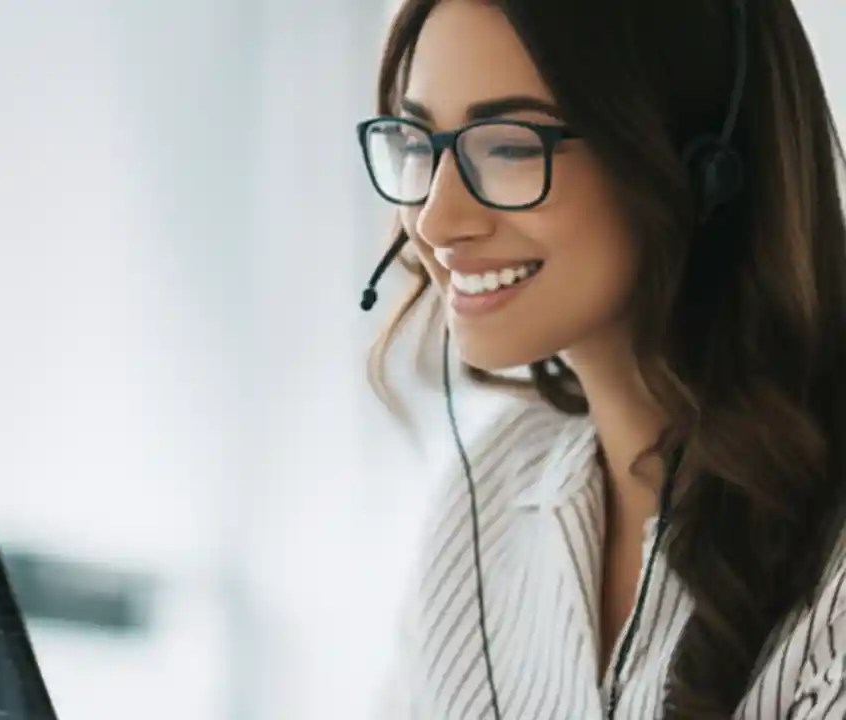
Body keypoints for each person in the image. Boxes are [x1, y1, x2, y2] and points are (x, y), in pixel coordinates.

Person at [357, 0, 846, 718]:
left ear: (704, 162)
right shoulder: (486, 495)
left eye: (511, 146)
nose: (436, 220)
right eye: (420, 144)